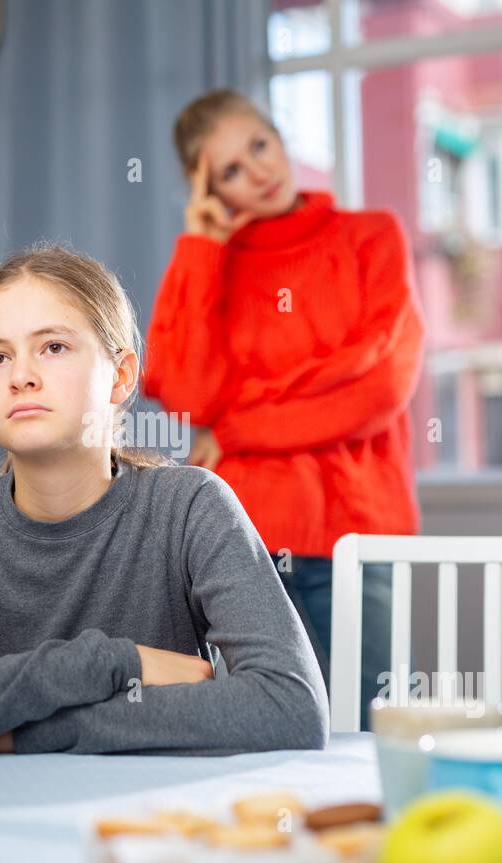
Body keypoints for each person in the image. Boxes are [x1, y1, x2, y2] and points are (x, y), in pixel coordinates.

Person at [0, 242, 328, 758]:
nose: (21, 375)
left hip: (148, 825)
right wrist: (111, 663)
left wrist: (23, 735)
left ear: (121, 375)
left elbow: (292, 705)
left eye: (53, 347)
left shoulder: (190, 507)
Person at [143, 88, 424, 730]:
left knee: (385, 731)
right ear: (204, 188)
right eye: (230, 171)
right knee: (264, 743)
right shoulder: (213, 264)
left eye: (260, 147)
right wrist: (200, 247)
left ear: (281, 137)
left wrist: (240, 423)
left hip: (360, 535)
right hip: (247, 545)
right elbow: (186, 393)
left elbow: (377, 390)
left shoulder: (370, 236)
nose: (259, 173)